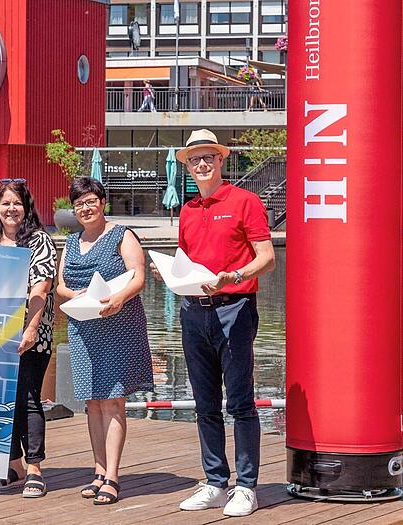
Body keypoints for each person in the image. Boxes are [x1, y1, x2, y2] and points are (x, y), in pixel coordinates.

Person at [152, 129, 275, 517]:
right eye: (194, 160)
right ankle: (216, 482)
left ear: (221, 161)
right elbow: (186, 260)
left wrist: (233, 277)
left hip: (234, 307)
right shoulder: (187, 210)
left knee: (240, 401)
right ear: (186, 166)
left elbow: (267, 257)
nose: (201, 165)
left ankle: (247, 486)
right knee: (204, 403)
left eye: (208, 158)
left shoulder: (245, 201)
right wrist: (169, 273)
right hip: (193, 311)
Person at [56, 177, 153, 505]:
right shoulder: (70, 241)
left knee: (112, 401)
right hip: (83, 327)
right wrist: (76, 294)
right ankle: (98, 470)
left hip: (118, 325)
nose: (85, 207)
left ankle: (112, 475)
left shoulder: (121, 235)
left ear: (102, 202)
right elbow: (60, 286)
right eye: (79, 203)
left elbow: (138, 276)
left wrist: (119, 299)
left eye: (91, 201)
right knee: (92, 403)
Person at [0, 179, 57, 498]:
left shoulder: (39, 240)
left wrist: (30, 328)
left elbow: (42, 286)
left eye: (17, 203)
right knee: (1, 399)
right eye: (5, 203)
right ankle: (13, 465)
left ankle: (35, 468)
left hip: (31, 333)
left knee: (27, 397)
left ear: (27, 208)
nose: (11, 209)